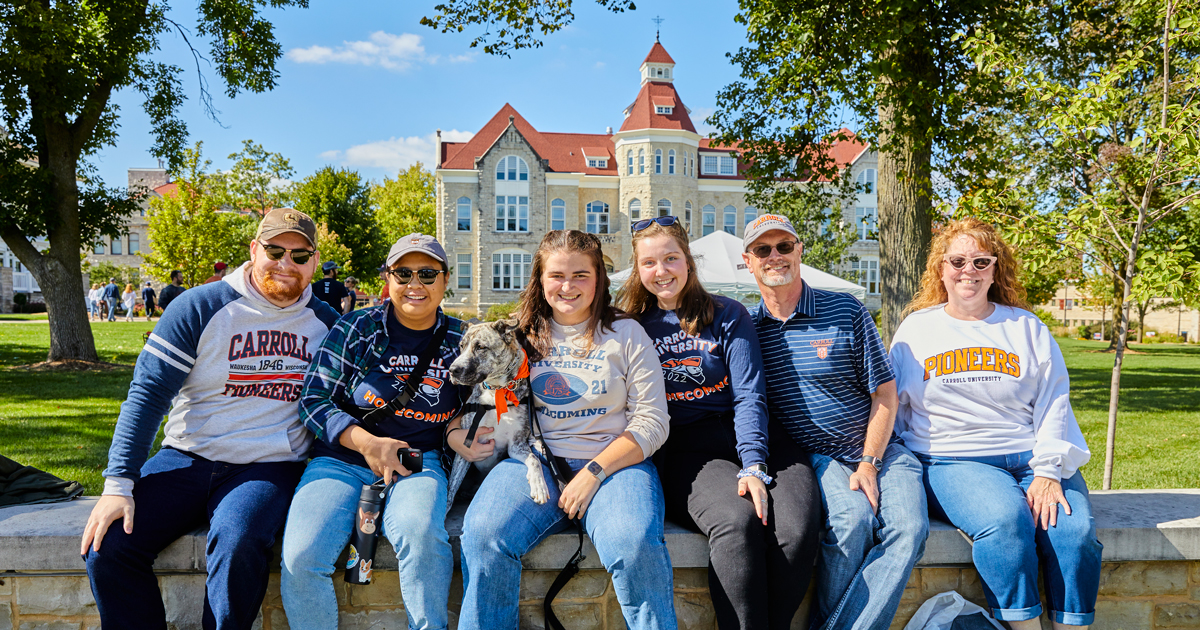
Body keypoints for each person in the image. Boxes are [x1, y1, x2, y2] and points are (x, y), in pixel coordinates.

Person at [81, 208, 339, 630]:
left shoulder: (328, 325)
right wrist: (118, 485)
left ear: (314, 260)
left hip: (268, 465)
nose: (286, 264)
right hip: (186, 457)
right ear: (254, 250)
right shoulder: (199, 306)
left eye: (299, 255)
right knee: (107, 545)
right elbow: (147, 395)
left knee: (239, 542)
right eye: (275, 251)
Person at [458, 229, 676, 630]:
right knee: (483, 533)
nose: (568, 286)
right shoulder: (517, 338)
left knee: (634, 543)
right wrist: (458, 433)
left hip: (616, 466)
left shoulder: (627, 335)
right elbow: (472, 391)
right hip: (535, 462)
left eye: (581, 275)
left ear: (599, 279)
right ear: (540, 280)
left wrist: (594, 472)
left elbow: (653, 422)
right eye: (557, 275)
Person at [889, 218, 1101, 629]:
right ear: (941, 268)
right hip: (953, 460)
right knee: (1006, 523)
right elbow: (892, 404)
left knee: (1073, 534)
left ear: (995, 269)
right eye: (958, 260)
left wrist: (1047, 472)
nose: (969, 270)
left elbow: (1055, 401)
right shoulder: (917, 329)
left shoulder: (1025, 327)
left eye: (981, 261)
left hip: (1033, 455)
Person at [616, 216, 822, 629]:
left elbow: (749, 393)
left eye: (671, 258)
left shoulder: (727, 313)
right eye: (650, 263)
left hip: (758, 439)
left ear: (688, 261)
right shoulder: (629, 325)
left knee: (797, 532)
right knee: (737, 522)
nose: (662, 272)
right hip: (688, 450)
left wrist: (754, 466)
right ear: (638, 270)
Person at [281, 234, 476, 630]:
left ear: (445, 279)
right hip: (342, 460)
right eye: (403, 273)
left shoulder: (462, 339)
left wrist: (458, 432)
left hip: (417, 462)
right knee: (301, 556)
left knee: (420, 536)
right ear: (387, 278)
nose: (414, 284)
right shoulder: (356, 328)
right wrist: (367, 443)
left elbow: (475, 404)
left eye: (427, 273)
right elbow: (313, 399)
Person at [742, 214, 928, 630]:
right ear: (748, 261)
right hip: (818, 457)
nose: (775, 256)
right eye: (763, 250)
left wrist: (869, 463)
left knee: (910, 530)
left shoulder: (845, 310)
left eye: (784, 246)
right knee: (849, 525)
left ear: (799, 250)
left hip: (880, 450)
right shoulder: (750, 331)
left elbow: (885, 393)